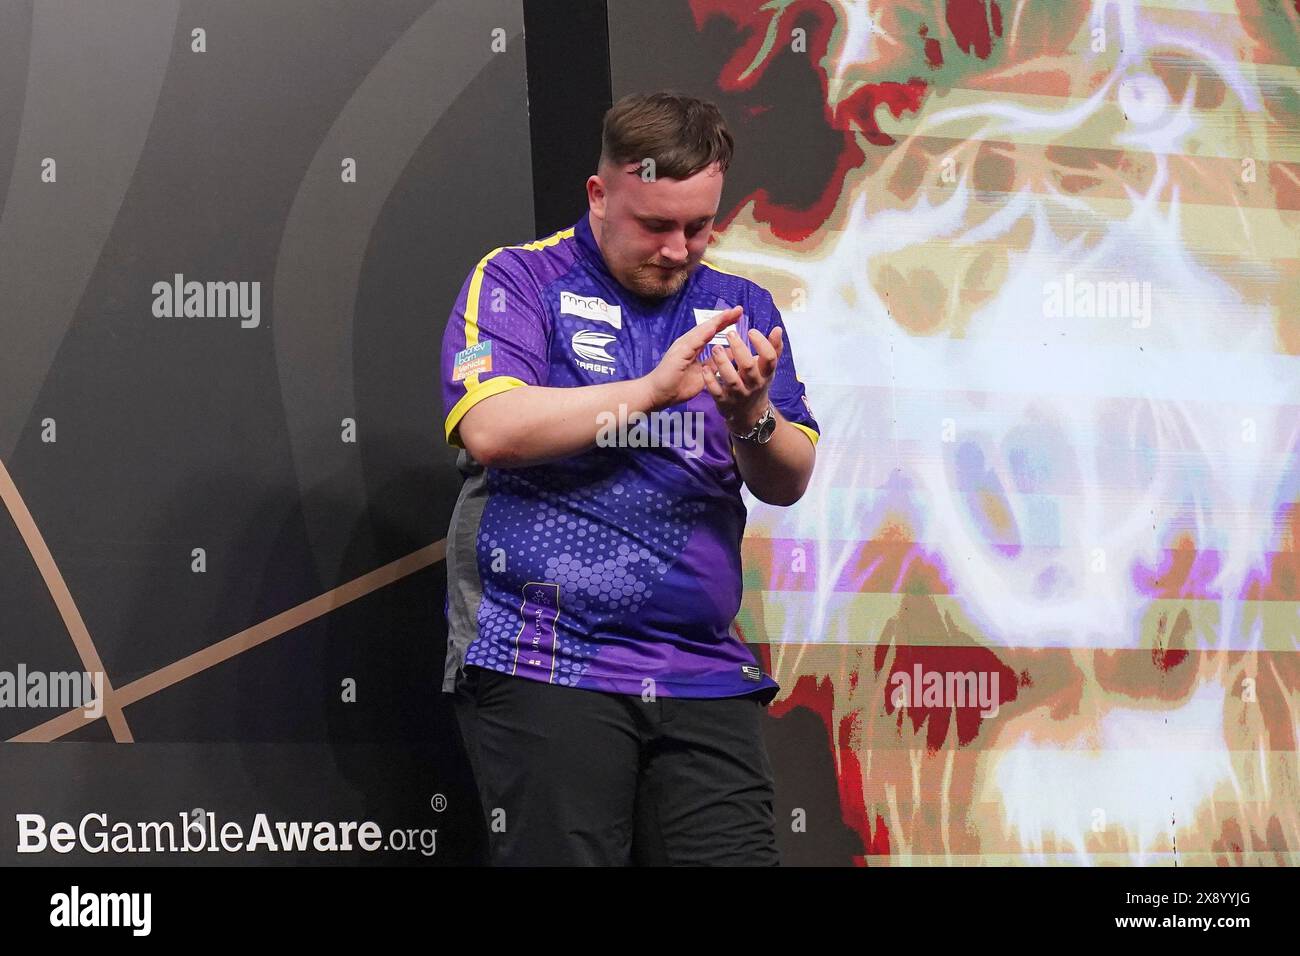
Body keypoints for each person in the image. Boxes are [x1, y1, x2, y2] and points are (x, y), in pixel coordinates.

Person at [439, 90, 819, 866]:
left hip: (702, 670)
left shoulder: (739, 306)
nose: (678, 249)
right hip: (546, 658)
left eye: (698, 227)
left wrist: (752, 415)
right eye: (655, 225)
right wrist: (650, 391)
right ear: (599, 195)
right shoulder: (518, 281)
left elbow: (789, 479)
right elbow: (492, 429)